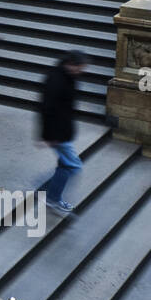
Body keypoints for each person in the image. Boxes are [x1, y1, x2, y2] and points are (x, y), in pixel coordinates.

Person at [38, 51, 87, 213]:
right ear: (71, 64)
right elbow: (46, 109)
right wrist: (48, 135)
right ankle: (52, 197)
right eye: (79, 67)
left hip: (64, 131)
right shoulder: (56, 80)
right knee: (73, 166)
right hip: (57, 134)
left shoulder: (69, 77)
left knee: (65, 164)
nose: (81, 71)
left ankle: (51, 193)